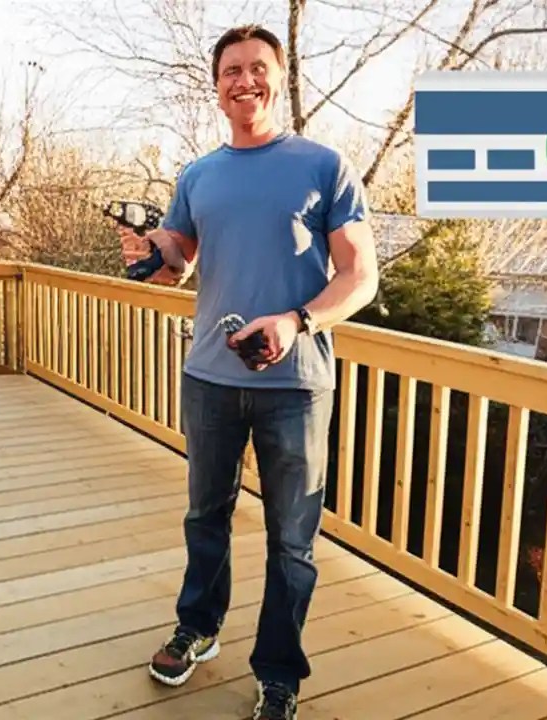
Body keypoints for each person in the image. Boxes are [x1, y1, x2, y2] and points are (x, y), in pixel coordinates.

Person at [117, 24, 379, 720]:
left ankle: (279, 672)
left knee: (292, 539)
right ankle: (198, 628)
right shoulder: (198, 175)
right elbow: (179, 264)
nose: (245, 80)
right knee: (206, 515)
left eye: (258, 68)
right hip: (210, 378)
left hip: (296, 386)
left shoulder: (324, 166)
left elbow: (361, 277)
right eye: (231, 70)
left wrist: (297, 321)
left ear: (278, 79)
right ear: (216, 87)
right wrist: (151, 253)